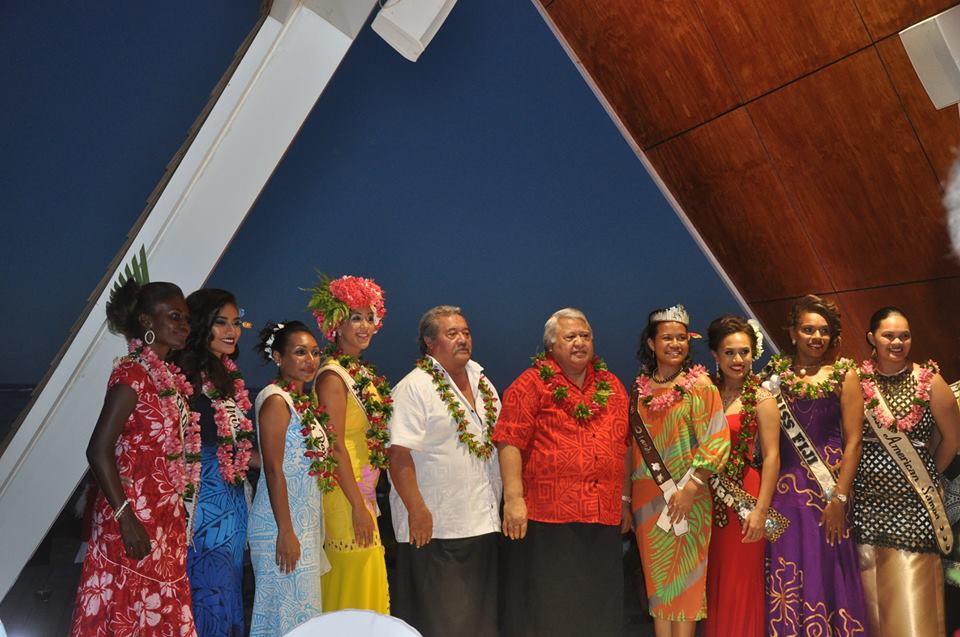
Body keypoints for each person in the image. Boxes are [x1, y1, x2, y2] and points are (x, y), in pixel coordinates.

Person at [70, 280, 198, 637]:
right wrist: (126, 518)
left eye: (186, 318)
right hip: (131, 521)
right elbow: (98, 449)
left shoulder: (170, 379)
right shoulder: (132, 375)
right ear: (146, 321)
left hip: (166, 521)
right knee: (127, 614)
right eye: (174, 316)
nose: (184, 325)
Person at [493, 307, 630, 637]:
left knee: (598, 605)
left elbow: (625, 445)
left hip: (603, 514)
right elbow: (508, 440)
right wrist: (514, 500)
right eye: (570, 337)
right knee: (552, 606)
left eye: (585, 336)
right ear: (551, 346)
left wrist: (625, 498)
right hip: (549, 518)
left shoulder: (612, 386)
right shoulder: (530, 383)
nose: (580, 343)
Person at [388, 306, 502, 637]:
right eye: (452, 334)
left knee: (479, 622)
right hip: (435, 527)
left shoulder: (483, 382)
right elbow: (398, 454)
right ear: (428, 342)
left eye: (465, 332)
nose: (462, 339)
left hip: (481, 522)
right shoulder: (415, 387)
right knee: (443, 623)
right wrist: (417, 509)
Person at [763, 294, 869, 635]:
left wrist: (839, 498)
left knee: (828, 570)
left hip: (829, 494)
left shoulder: (843, 375)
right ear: (793, 333)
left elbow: (854, 441)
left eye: (823, 330)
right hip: (786, 495)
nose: (816, 337)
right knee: (789, 570)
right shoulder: (773, 378)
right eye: (808, 329)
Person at [853, 307, 960, 636]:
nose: (897, 342)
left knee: (912, 603)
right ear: (872, 338)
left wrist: (924, 478)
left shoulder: (930, 382)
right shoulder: (855, 381)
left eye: (904, 335)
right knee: (870, 601)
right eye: (889, 335)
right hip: (865, 509)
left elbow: (951, 441)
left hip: (913, 511)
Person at [630, 305, 729, 637]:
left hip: (689, 495)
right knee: (658, 583)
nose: (675, 344)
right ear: (651, 343)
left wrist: (691, 486)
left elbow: (716, 439)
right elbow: (630, 447)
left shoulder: (700, 386)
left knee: (685, 580)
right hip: (648, 499)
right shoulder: (639, 389)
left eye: (681, 338)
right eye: (667, 338)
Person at [172, 289, 257, 637]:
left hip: (232, 498)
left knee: (229, 587)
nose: (231, 331)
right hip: (201, 503)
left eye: (236, 323)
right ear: (201, 323)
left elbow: (239, 445)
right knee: (205, 590)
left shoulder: (229, 378)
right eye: (221, 322)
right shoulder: (181, 375)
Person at [308, 274, 390, 613]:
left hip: (365, 489)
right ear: (336, 324)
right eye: (356, 317)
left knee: (368, 565)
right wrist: (356, 505)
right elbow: (335, 446)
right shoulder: (332, 377)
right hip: (344, 491)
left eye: (370, 317)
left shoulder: (362, 373)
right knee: (352, 568)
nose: (365, 325)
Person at [247, 321, 331, 636]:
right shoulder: (276, 401)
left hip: (303, 525)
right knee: (282, 616)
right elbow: (273, 468)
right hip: (280, 526)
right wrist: (285, 531)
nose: (310, 360)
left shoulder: (302, 403)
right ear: (279, 358)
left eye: (314, 352)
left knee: (302, 618)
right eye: (299, 352)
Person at [702, 315, 779, 637]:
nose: (738, 360)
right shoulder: (705, 395)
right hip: (705, 500)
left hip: (744, 500)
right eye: (730, 352)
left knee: (740, 580)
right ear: (716, 356)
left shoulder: (762, 399)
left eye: (744, 352)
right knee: (711, 581)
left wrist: (761, 510)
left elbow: (773, 456)